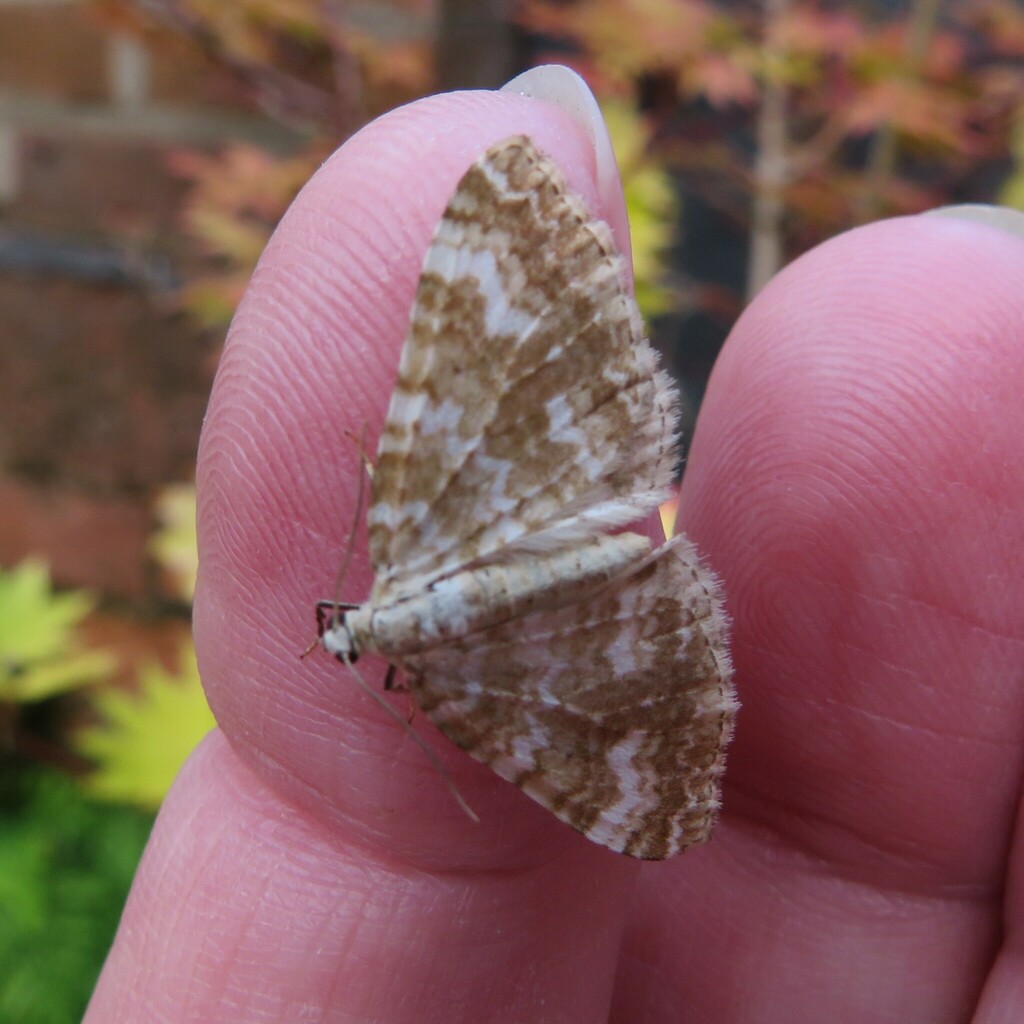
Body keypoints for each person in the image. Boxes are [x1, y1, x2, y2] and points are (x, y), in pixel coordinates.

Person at [84, 66, 1024, 1022]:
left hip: (556, 615)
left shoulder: (446, 694)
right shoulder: (411, 571)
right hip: (516, 499)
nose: (352, 630)